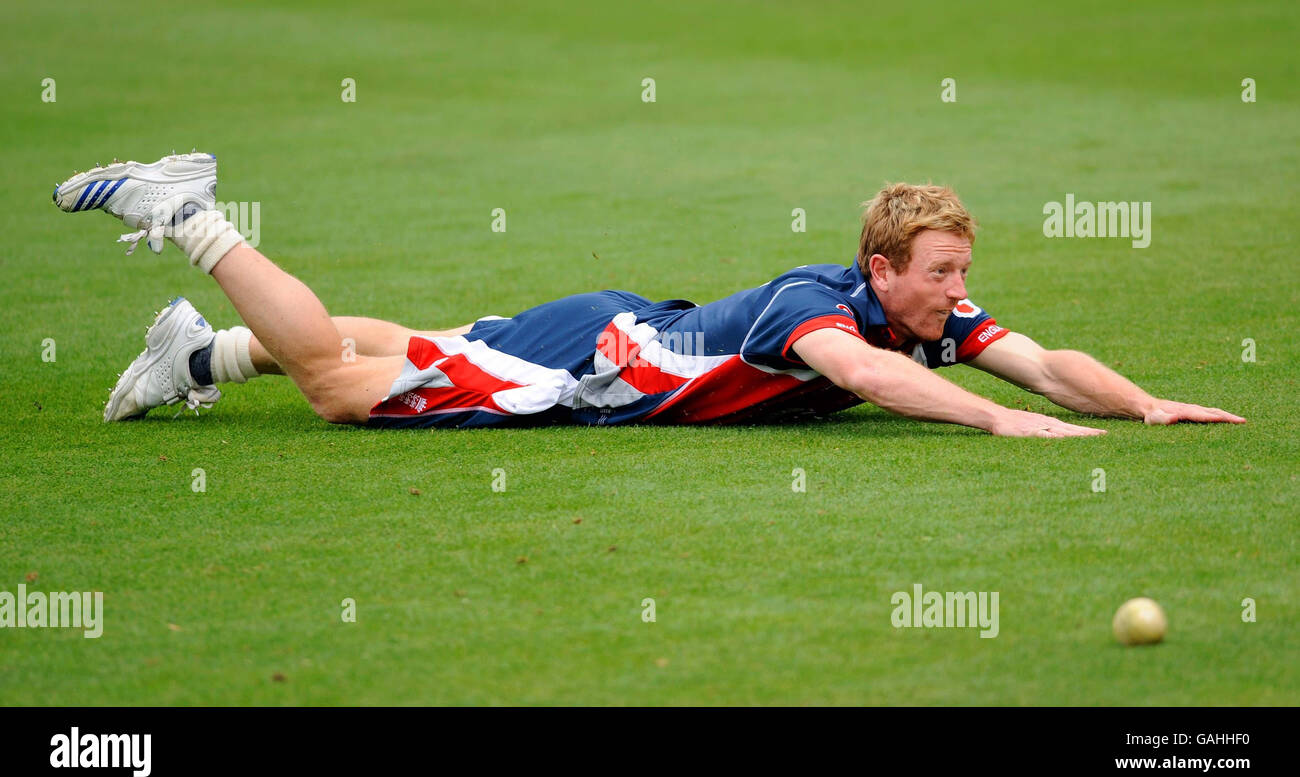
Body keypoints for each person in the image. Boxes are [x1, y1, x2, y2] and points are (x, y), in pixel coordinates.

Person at [53, 152, 1244, 437]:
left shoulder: (927, 315)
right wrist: (1000, 423)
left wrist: (1139, 405)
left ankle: (196, 357)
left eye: (961, 271)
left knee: (419, 340)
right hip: (597, 365)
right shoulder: (819, 309)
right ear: (880, 268)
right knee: (342, 389)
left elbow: (1042, 359)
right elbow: (869, 377)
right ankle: (187, 211)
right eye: (941, 272)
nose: (961, 291)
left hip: (615, 327)